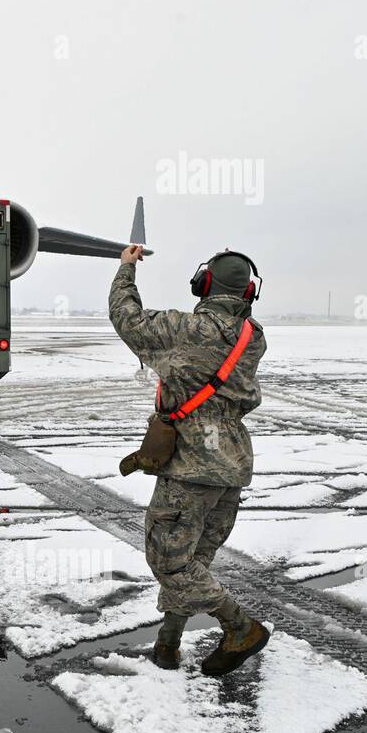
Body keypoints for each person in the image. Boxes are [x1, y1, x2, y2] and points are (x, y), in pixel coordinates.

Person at [109, 247, 269, 676]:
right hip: (231, 465)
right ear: (249, 291)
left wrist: (127, 267)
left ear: (204, 286)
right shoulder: (252, 337)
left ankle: (241, 627)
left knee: (168, 560)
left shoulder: (184, 329)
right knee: (194, 560)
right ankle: (168, 644)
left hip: (191, 469)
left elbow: (126, 317)